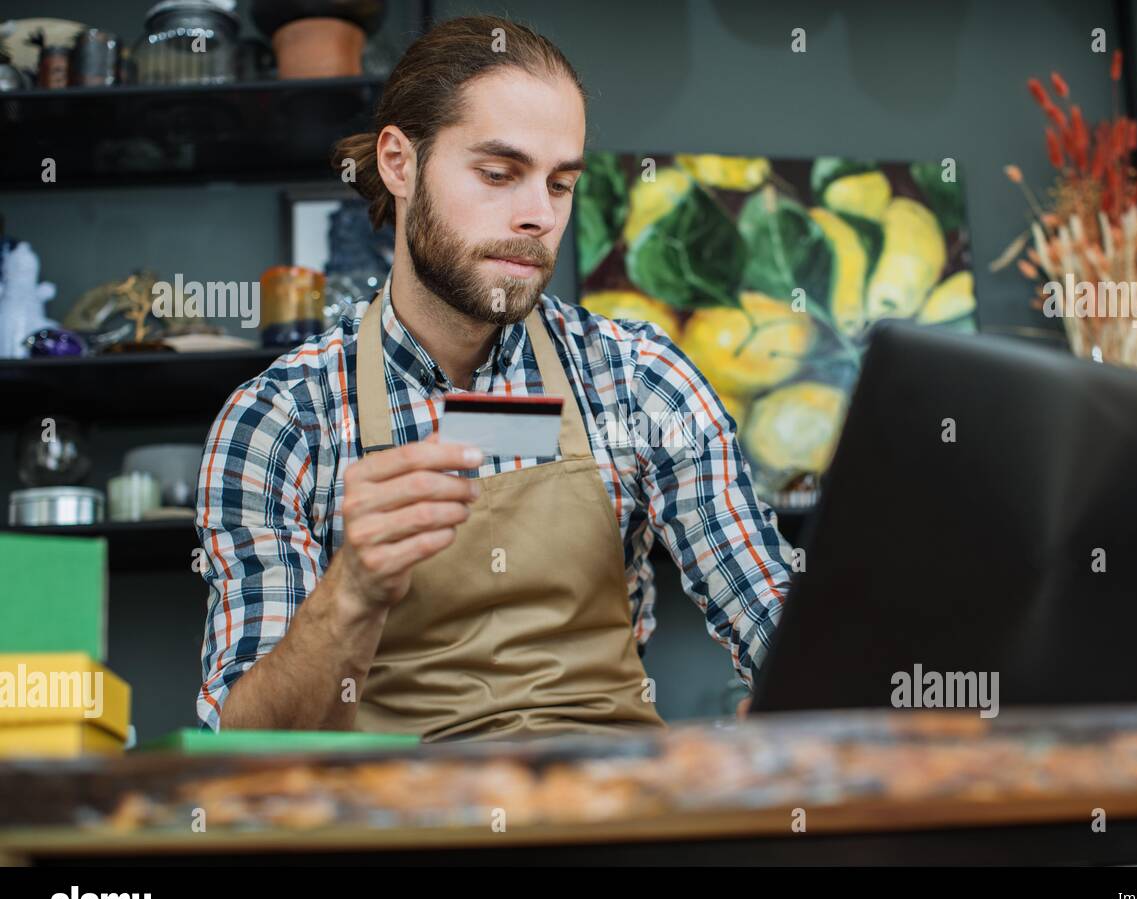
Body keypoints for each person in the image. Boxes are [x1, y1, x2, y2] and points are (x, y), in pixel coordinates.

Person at [195, 14, 792, 742]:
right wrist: (350, 593)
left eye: (561, 184)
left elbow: (764, 602)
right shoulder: (282, 421)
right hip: (403, 826)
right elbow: (247, 749)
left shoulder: (637, 378)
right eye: (499, 174)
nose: (539, 215)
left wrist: (809, 689)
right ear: (398, 162)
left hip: (609, 813)